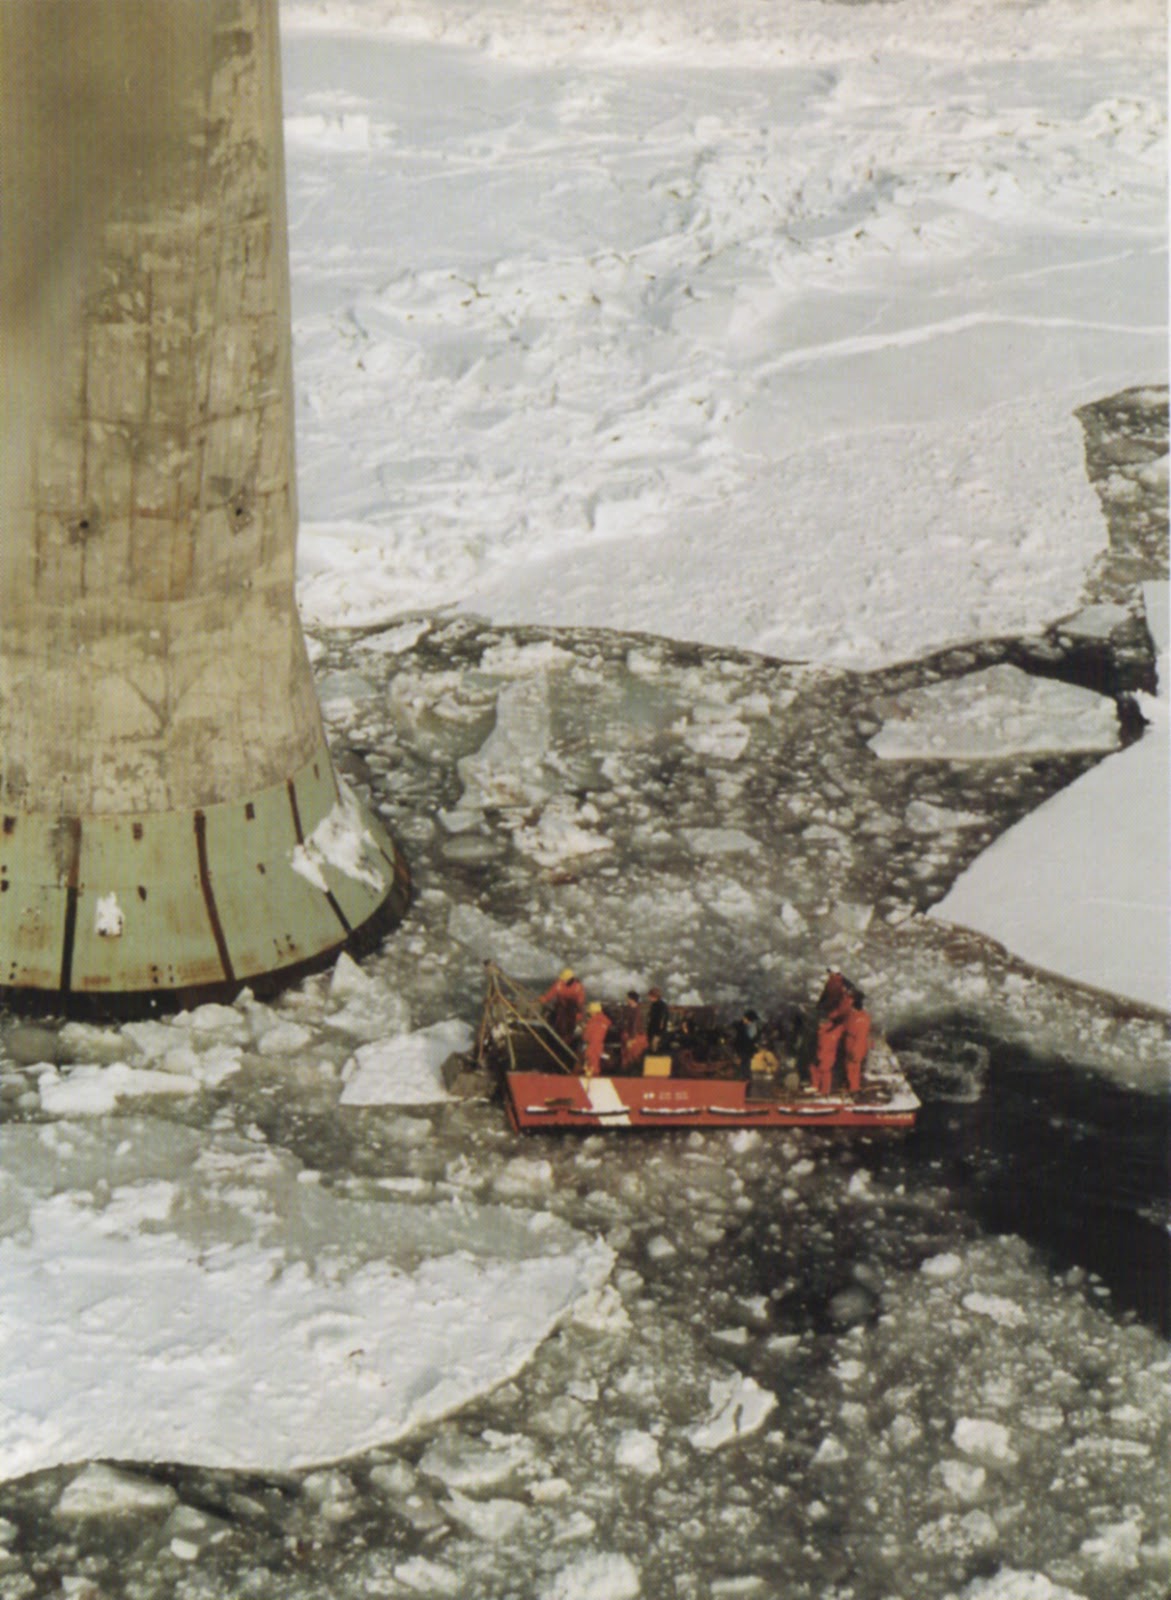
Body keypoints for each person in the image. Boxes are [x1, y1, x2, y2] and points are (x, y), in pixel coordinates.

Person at [811, 971, 871, 1096]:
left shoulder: (857, 1018)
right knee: (850, 1066)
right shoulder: (859, 1016)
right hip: (853, 1041)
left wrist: (856, 1050)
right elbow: (843, 1024)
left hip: (855, 1043)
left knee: (852, 1066)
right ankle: (851, 1085)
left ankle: (853, 1088)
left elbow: (856, 1034)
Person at [541, 967, 585, 1044]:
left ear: (571, 979)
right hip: (560, 1007)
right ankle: (555, 1035)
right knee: (557, 1020)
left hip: (571, 1009)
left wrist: (579, 1014)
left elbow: (580, 1002)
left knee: (569, 1024)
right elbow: (551, 994)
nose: (563, 980)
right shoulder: (559, 984)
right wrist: (544, 999)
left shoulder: (578, 987)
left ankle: (568, 1038)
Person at [581, 1001, 612, 1078]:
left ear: (592, 1012)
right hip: (600, 1046)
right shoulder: (605, 1021)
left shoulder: (592, 1022)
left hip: (592, 1047)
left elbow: (586, 1036)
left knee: (591, 1067)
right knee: (596, 1066)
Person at [620, 990, 648, 1071]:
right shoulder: (630, 1009)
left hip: (634, 1037)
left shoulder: (636, 1011)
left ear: (631, 999)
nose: (627, 1000)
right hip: (630, 1036)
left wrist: (631, 1039)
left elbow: (635, 1025)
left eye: (628, 998)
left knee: (633, 1056)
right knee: (628, 1055)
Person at [732, 1009, 761, 1079]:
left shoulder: (750, 1027)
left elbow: (748, 1039)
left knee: (743, 1065)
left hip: (744, 1049)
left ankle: (744, 1079)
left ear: (749, 1019)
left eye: (745, 1018)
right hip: (744, 1049)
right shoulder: (745, 1026)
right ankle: (744, 1079)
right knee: (744, 1065)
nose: (743, 1019)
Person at [646, 987, 669, 1053]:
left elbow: (662, 1019)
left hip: (657, 1030)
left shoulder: (662, 1005)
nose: (649, 998)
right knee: (652, 1046)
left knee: (654, 1045)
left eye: (650, 996)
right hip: (653, 1029)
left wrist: (659, 1031)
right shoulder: (654, 1004)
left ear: (654, 996)